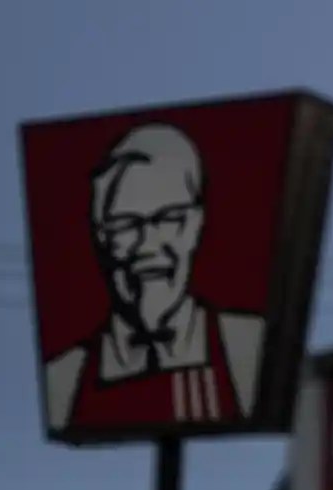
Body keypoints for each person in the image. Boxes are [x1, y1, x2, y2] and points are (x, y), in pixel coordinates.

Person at [44, 123, 264, 432]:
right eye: (125, 225)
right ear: (100, 238)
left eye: (169, 219)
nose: (147, 245)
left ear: (196, 225)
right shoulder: (64, 379)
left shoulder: (248, 347)